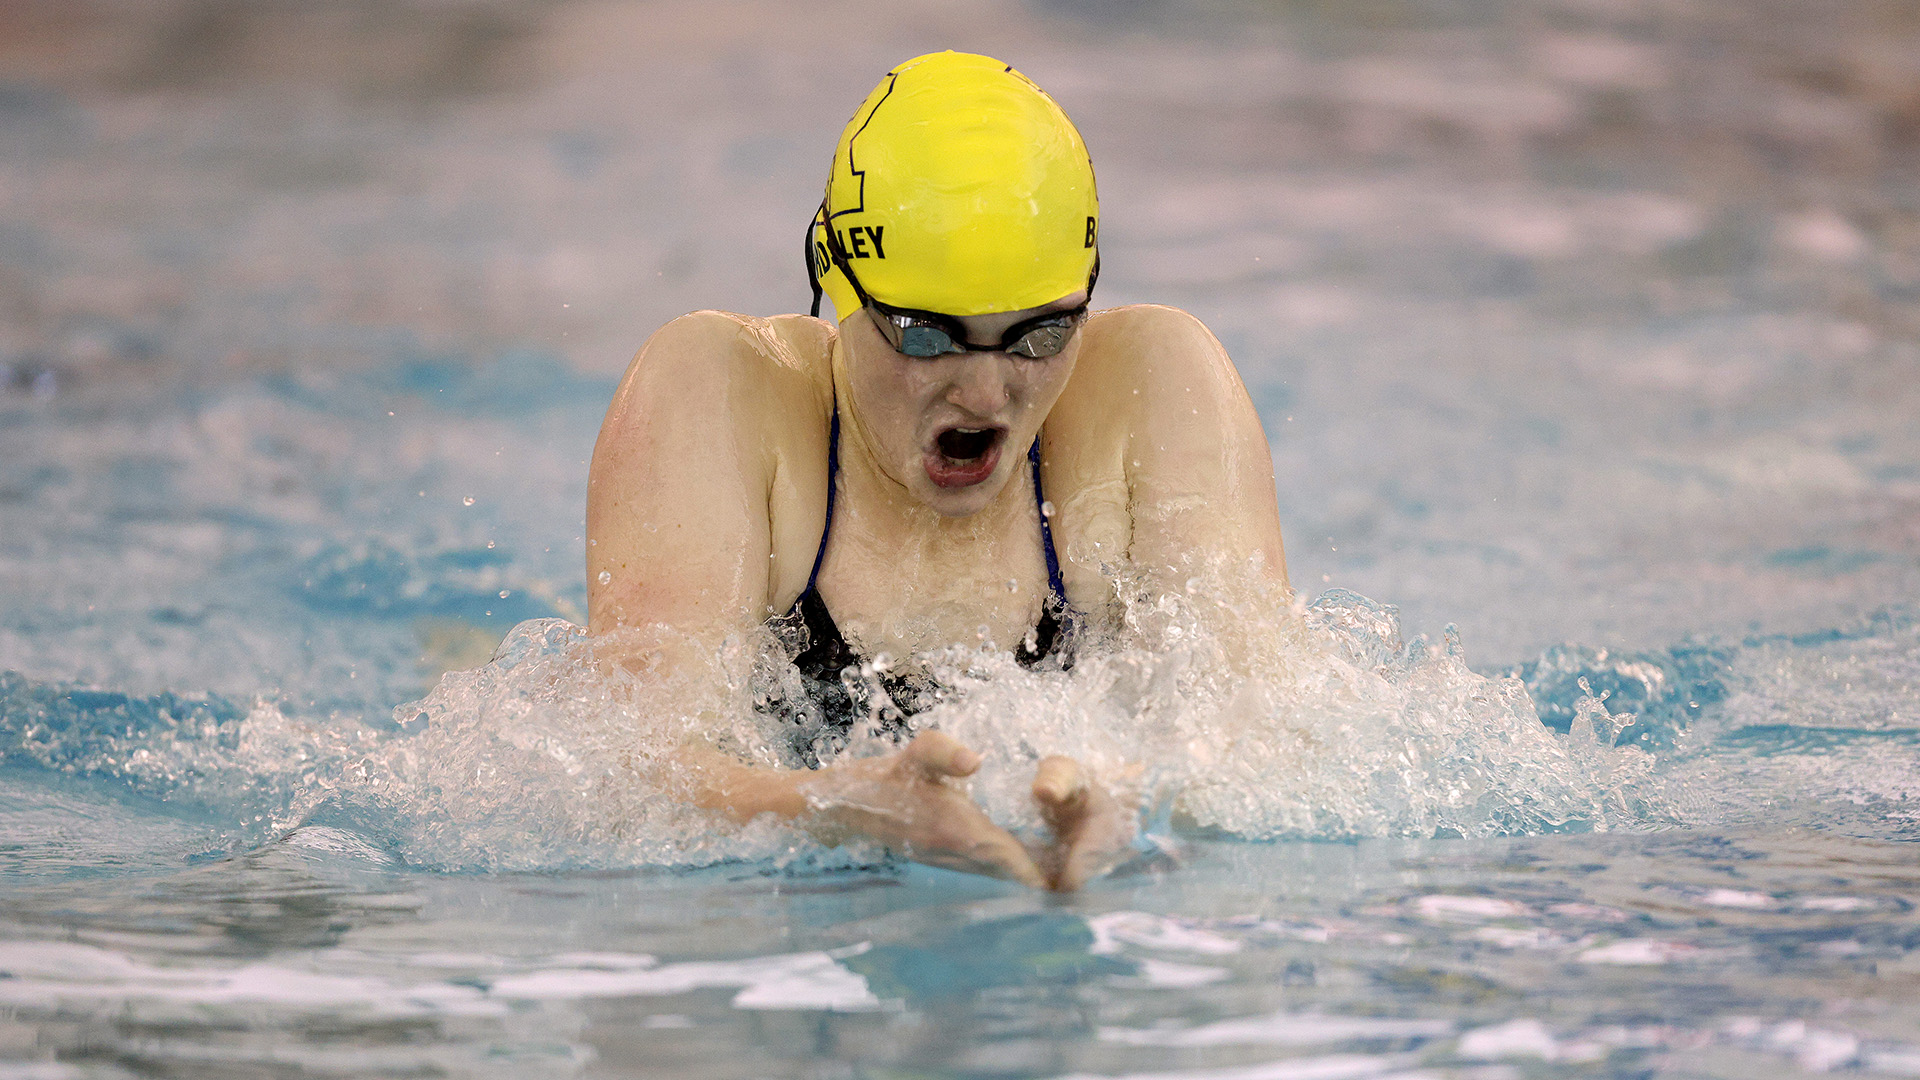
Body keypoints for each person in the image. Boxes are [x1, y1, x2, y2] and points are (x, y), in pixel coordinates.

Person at [585, 51, 1287, 890]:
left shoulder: (1156, 385)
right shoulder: (721, 393)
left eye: (1040, 334)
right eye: (927, 335)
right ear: (838, 287)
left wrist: (1144, 800)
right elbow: (626, 774)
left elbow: (1271, 736)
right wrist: (824, 806)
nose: (987, 392)